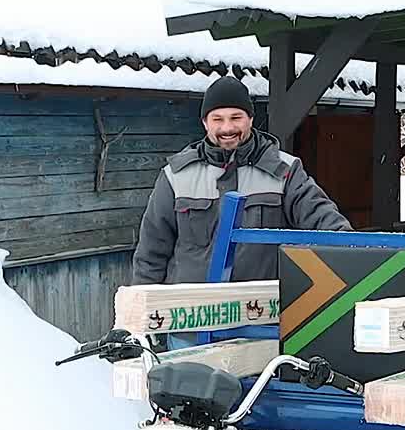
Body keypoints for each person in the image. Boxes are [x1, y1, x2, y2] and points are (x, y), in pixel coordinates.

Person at [132, 75, 352, 348]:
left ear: (250, 118)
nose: (227, 127)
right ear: (205, 123)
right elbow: (152, 252)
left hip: (260, 324)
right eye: (218, 119)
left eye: (236, 117)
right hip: (190, 325)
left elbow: (322, 218)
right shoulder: (177, 176)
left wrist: (356, 252)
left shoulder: (284, 171)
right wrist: (142, 321)